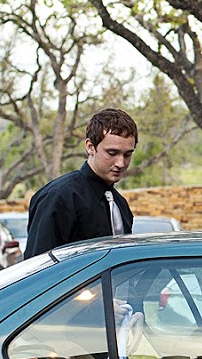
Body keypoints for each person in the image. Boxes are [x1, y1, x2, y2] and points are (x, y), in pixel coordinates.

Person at [25, 108, 138, 259]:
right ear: (90, 147)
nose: (121, 163)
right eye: (112, 153)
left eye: (127, 154)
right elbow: (38, 268)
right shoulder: (59, 197)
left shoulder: (120, 205)